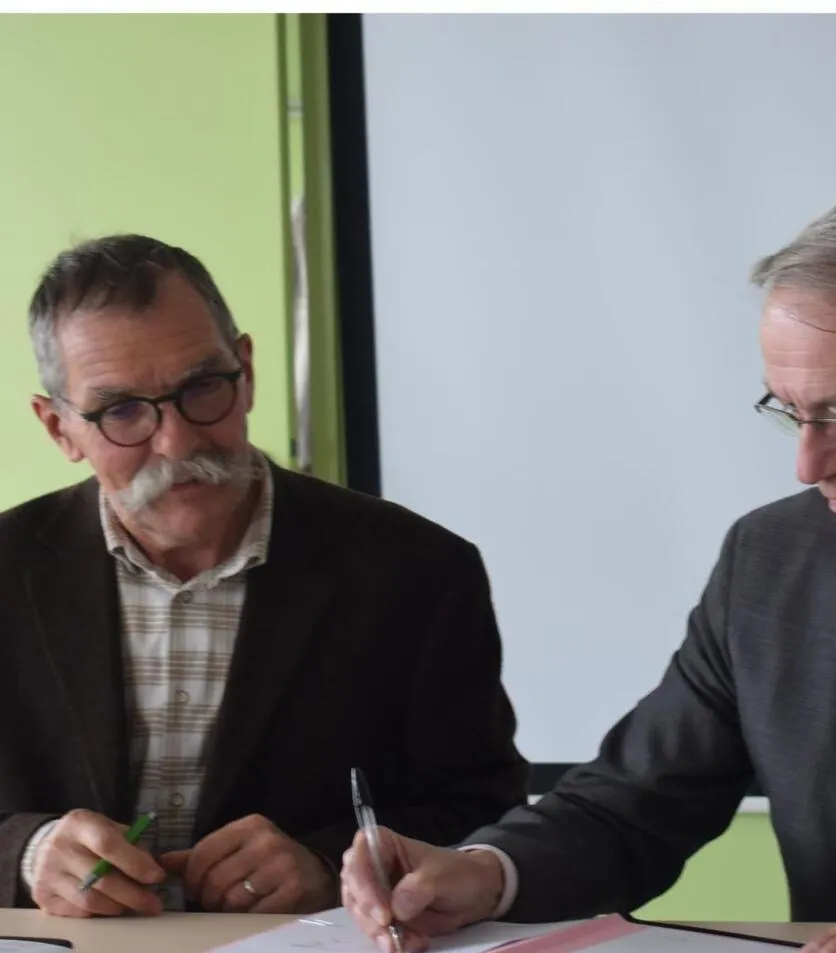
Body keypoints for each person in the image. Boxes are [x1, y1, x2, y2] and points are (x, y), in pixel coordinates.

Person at [344, 186, 836, 953]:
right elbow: (633, 804)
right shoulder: (778, 562)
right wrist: (485, 874)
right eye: (791, 412)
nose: (809, 464)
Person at [0, 234, 527, 918]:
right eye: (123, 410)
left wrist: (326, 861)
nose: (177, 441)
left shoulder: (418, 572)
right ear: (59, 428)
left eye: (202, 387)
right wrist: (28, 851)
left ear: (245, 371)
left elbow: (487, 814)